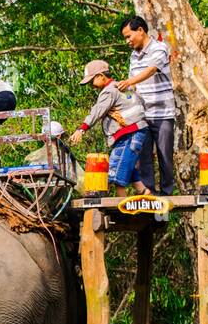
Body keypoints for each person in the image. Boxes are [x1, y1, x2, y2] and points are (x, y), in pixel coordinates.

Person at [116, 15, 176, 195]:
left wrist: (129, 81)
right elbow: (133, 86)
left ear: (140, 30)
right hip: (142, 114)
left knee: (164, 154)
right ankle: (148, 191)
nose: (127, 41)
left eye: (129, 36)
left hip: (162, 112)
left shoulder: (160, 48)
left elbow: (151, 70)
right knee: (143, 155)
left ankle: (166, 192)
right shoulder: (133, 56)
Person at [71, 59, 149, 196]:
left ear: (101, 76)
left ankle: (121, 206)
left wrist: (81, 129)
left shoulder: (109, 92)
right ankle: (143, 191)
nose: (91, 85)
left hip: (129, 134)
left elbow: (97, 111)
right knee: (127, 165)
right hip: (135, 131)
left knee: (117, 169)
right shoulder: (123, 88)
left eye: (91, 81)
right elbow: (139, 102)